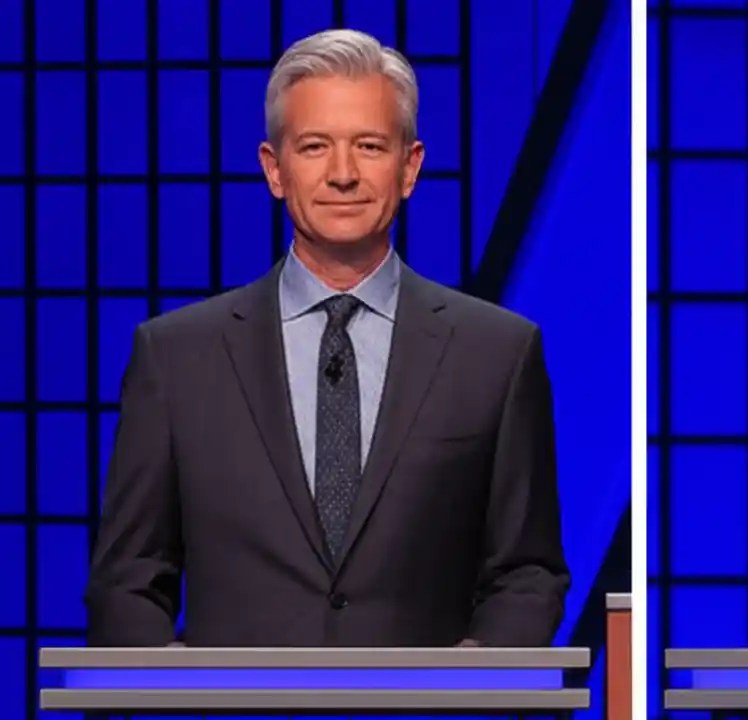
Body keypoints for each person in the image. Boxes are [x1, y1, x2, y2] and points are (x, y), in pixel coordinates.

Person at [85, 29, 569, 647]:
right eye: (315, 147)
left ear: (410, 167)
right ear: (274, 169)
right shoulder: (176, 357)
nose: (343, 174)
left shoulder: (498, 353)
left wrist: (471, 683)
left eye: (369, 145)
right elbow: (127, 580)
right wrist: (179, 692)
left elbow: (528, 573)